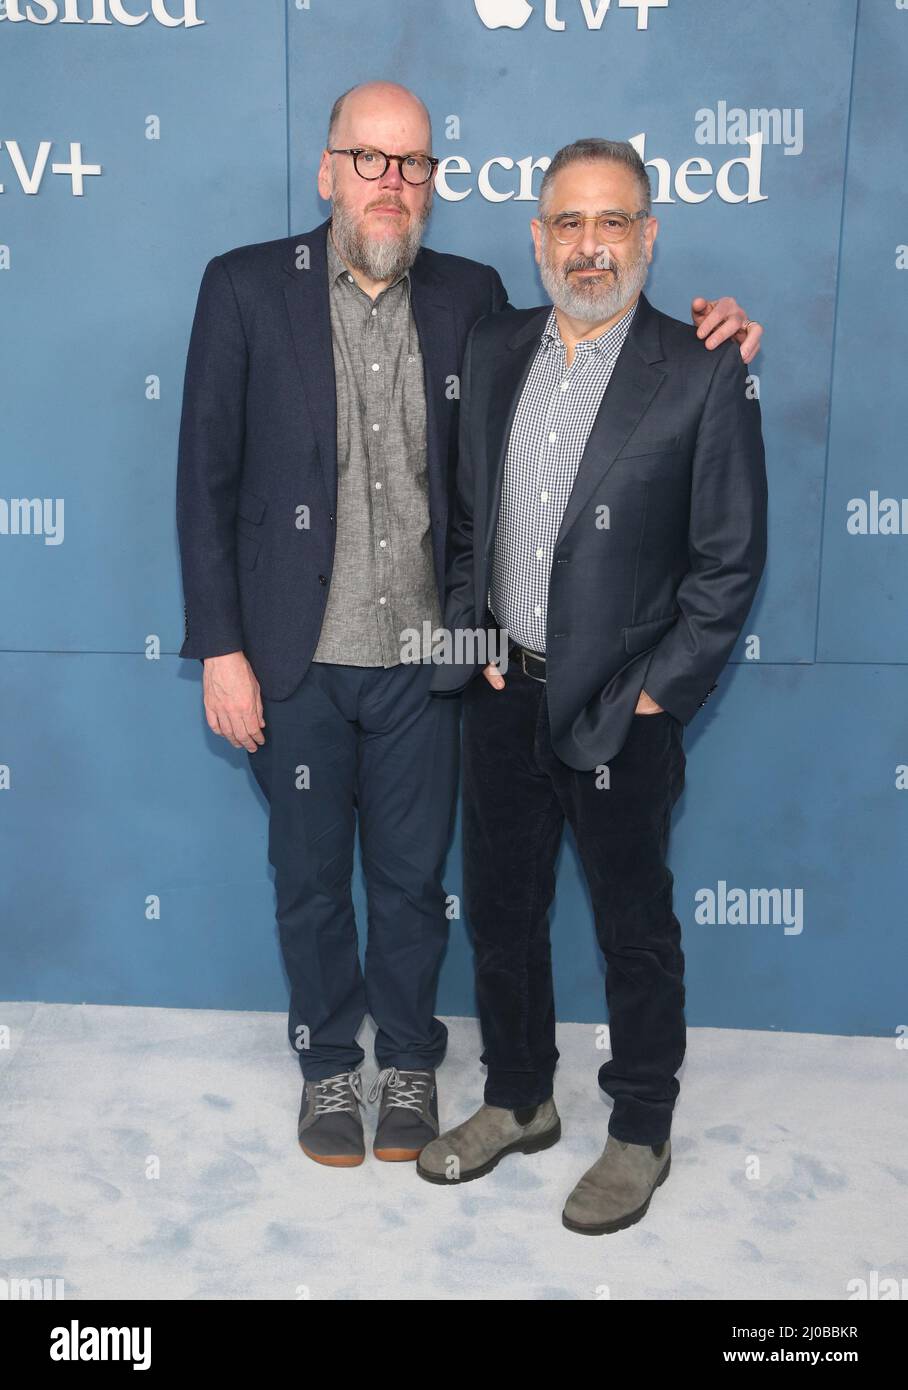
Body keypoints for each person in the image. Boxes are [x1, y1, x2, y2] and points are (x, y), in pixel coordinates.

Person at [177, 86, 763, 1171]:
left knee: (424, 884)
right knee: (328, 883)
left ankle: (429, 1066)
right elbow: (203, 483)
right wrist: (220, 645)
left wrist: (712, 335)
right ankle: (339, 1074)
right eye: (369, 159)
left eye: (412, 164)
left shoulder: (472, 300)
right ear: (328, 172)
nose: (390, 182)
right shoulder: (253, 288)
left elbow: (688, 505)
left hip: (435, 671)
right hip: (310, 663)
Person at [418, 138, 768, 1236]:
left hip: (622, 707)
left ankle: (639, 1128)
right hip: (499, 694)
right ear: (536, 238)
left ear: (648, 237)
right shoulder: (493, 345)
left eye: (611, 222)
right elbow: (469, 520)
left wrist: (656, 695)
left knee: (632, 928)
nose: (587, 245)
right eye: (566, 223)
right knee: (504, 917)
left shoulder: (702, 367)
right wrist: (468, 627)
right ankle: (518, 1097)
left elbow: (728, 562)